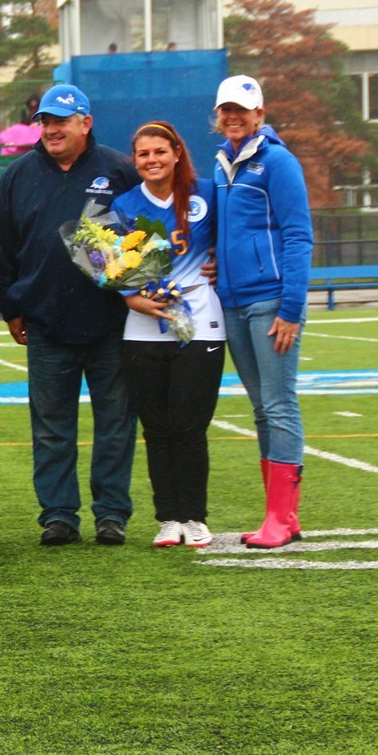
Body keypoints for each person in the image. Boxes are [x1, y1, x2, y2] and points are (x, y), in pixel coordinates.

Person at [0, 83, 140, 546]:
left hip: (112, 322)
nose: (52, 129)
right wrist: (12, 308)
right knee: (52, 429)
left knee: (115, 425)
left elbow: (144, 233)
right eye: (46, 121)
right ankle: (59, 514)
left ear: (85, 123)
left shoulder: (119, 170)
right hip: (47, 323)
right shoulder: (17, 176)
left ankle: (111, 513)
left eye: (61, 121)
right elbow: (3, 247)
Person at [210, 75, 314, 547]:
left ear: (260, 114)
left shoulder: (278, 162)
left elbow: (298, 235)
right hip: (232, 302)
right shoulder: (221, 166)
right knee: (260, 409)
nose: (233, 117)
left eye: (242, 110)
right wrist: (216, 261)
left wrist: (291, 308)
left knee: (278, 405)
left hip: (271, 302)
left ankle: (281, 517)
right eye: (226, 110)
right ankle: (279, 517)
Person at [113, 121, 223, 548]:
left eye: (160, 151)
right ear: (135, 160)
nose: (152, 160)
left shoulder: (209, 194)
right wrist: (128, 297)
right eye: (143, 154)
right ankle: (167, 519)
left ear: (177, 153)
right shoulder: (123, 206)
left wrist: (220, 262)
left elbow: (229, 241)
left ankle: (194, 516)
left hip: (201, 326)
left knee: (190, 427)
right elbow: (111, 262)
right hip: (142, 330)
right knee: (156, 429)